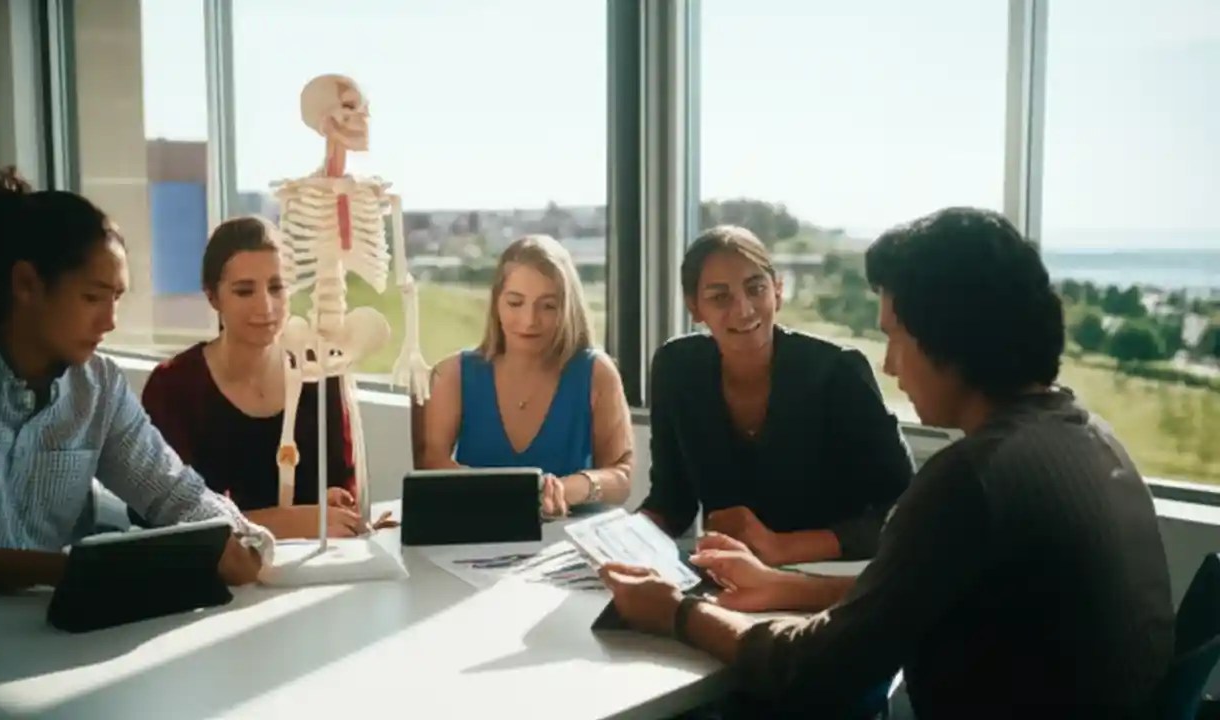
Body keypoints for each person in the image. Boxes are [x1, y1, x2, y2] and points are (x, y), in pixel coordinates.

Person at [599, 207, 1175, 718]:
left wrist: (676, 612)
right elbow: (907, 589)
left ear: (949, 337)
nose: (893, 366)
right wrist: (779, 586)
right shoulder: (1087, 436)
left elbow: (812, 668)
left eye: (896, 338)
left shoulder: (972, 481)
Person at [0, 167, 271, 597]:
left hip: (56, 636)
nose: (110, 322)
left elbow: (172, 490)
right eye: (92, 297)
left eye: (116, 299)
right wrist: (71, 569)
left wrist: (240, 537)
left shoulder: (100, 387)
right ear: (26, 284)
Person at [641, 225, 913, 570]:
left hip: (835, 576)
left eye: (756, 289)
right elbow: (671, 502)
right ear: (694, 307)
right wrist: (616, 539)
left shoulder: (837, 372)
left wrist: (783, 548)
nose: (743, 310)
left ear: (778, 291)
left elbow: (905, 511)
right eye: (720, 297)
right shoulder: (676, 368)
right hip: (730, 575)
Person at [140, 216, 389, 539]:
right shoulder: (173, 387)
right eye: (244, 291)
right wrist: (284, 522)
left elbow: (342, 490)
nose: (266, 307)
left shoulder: (321, 374)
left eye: (277, 287)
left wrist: (336, 502)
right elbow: (163, 518)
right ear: (213, 297)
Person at [415, 234, 634, 517]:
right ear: (496, 303)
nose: (530, 321)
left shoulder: (597, 372)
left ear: (567, 309)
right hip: (477, 534)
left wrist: (566, 489)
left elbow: (621, 477)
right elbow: (431, 463)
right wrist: (511, 496)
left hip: (570, 539)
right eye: (516, 303)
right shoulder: (452, 374)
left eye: (548, 306)